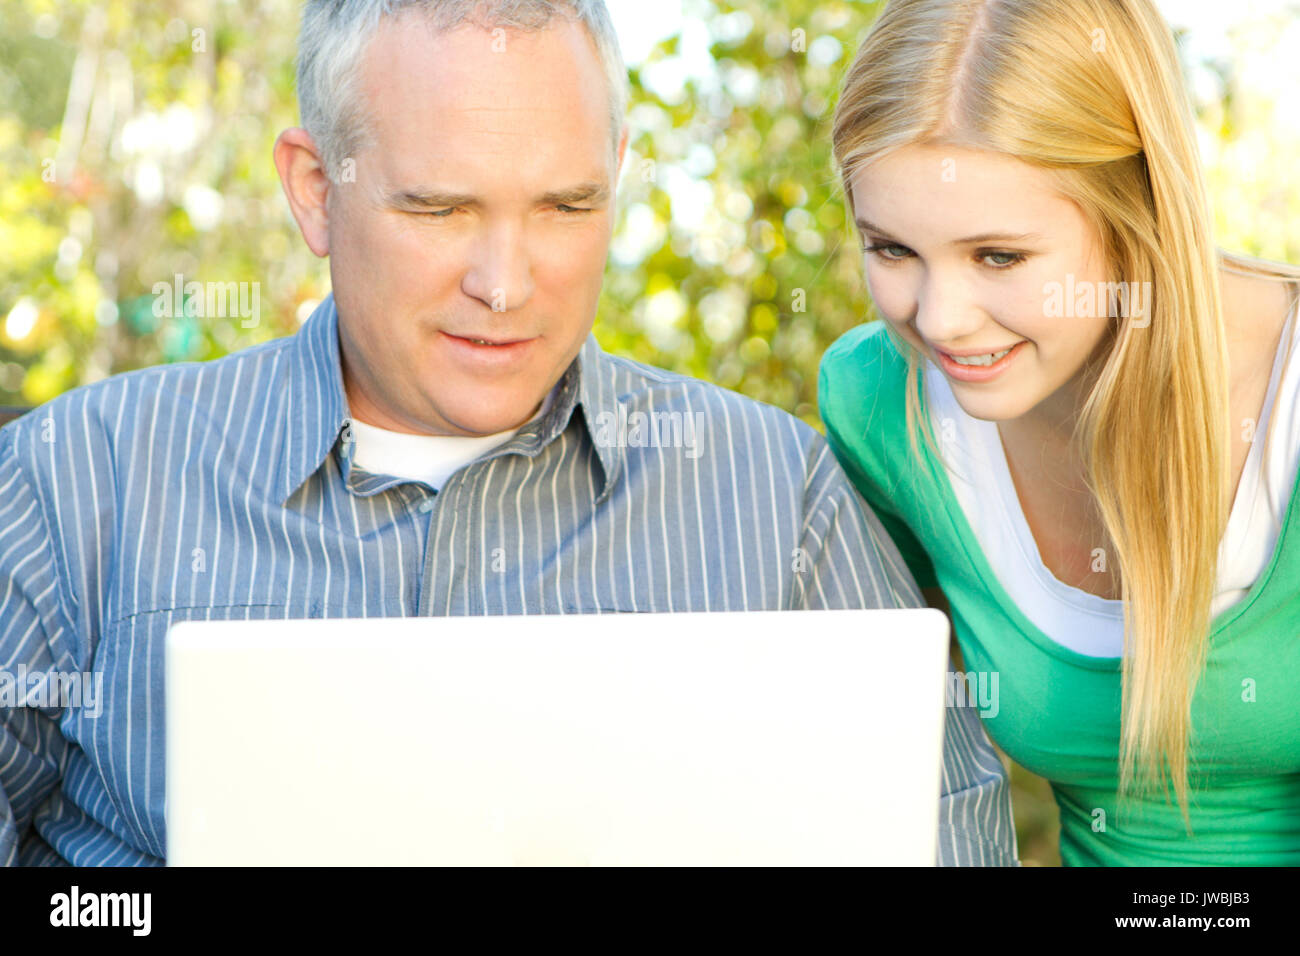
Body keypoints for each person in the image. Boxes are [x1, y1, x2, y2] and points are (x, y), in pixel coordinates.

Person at [0, 0, 1016, 866]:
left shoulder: (778, 500)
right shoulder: (77, 482)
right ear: (316, 190)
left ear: (615, 175)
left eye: (566, 205)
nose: (504, 283)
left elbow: (945, 838)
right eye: (439, 209)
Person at [819, 0, 1300, 866]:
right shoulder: (876, 406)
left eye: (998, 257)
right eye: (891, 249)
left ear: (1138, 213)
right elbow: (882, 758)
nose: (941, 320)